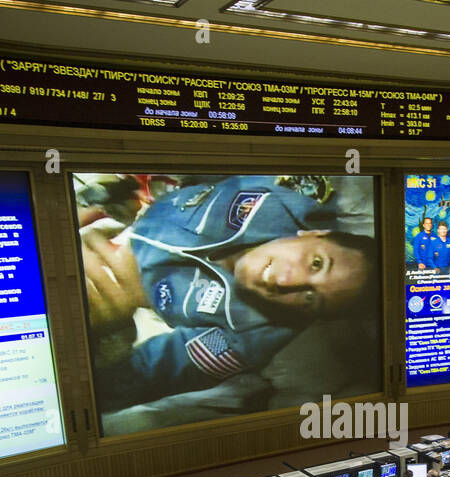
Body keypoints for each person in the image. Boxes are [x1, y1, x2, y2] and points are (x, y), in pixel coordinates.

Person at [81, 174, 379, 409]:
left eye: (310, 298)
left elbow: (141, 376)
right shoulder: (289, 193)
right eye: (316, 263)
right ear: (314, 233)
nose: (287, 281)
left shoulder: (245, 338)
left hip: (101, 278)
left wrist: (104, 333)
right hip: (140, 200)